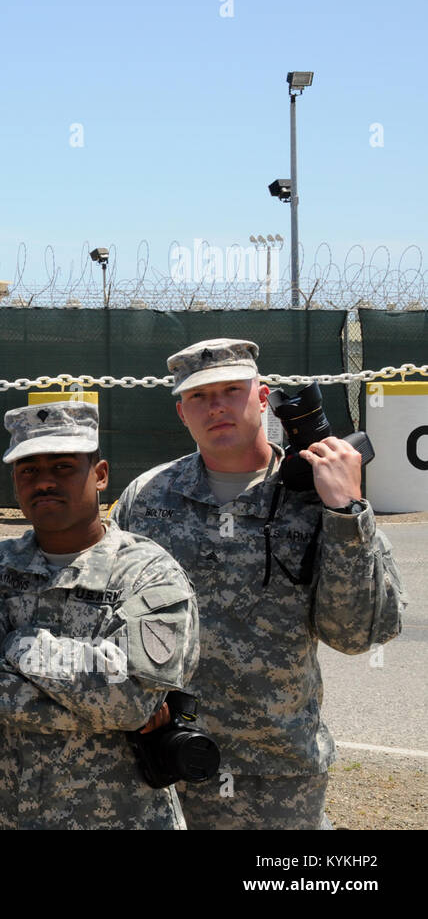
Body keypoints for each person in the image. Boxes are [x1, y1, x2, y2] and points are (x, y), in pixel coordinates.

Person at [111, 338, 405, 829]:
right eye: (200, 397)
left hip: (278, 773)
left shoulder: (316, 494)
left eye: (231, 390)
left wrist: (346, 512)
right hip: (162, 762)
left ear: (263, 397)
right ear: (182, 412)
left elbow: (358, 635)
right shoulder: (147, 498)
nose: (217, 406)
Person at [0, 400, 199, 829]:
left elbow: (130, 698)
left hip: (117, 816)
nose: (44, 482)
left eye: (63, 467)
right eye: (28, 470)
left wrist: (19, 647)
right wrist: (93, 709)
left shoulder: (148, 571)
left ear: (101, 474)